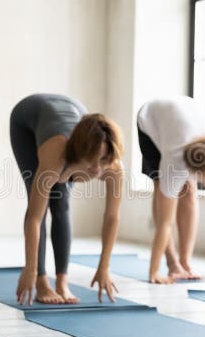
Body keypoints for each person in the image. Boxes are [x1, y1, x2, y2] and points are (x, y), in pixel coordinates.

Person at [10, 94, 123, 305]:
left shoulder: (113, 165)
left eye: (104, 161)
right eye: (92, 163)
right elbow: (33, 218)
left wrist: (104, 267)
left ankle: (62, 282)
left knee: (61, 203)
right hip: (27, 118)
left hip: (73, 109)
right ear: (80, 154)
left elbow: (112, 217)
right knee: (42, 204)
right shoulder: (56, 155)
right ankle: (43, 282)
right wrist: (30, 269)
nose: (98, 170)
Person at [136, 96, 205, 283]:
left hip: (186, 116)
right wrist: (154, 272)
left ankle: (186, 263)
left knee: (190, 191)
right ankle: (173, 264)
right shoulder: (175, 161)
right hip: (150, 119)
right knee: (161, 190)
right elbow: (166, 223)